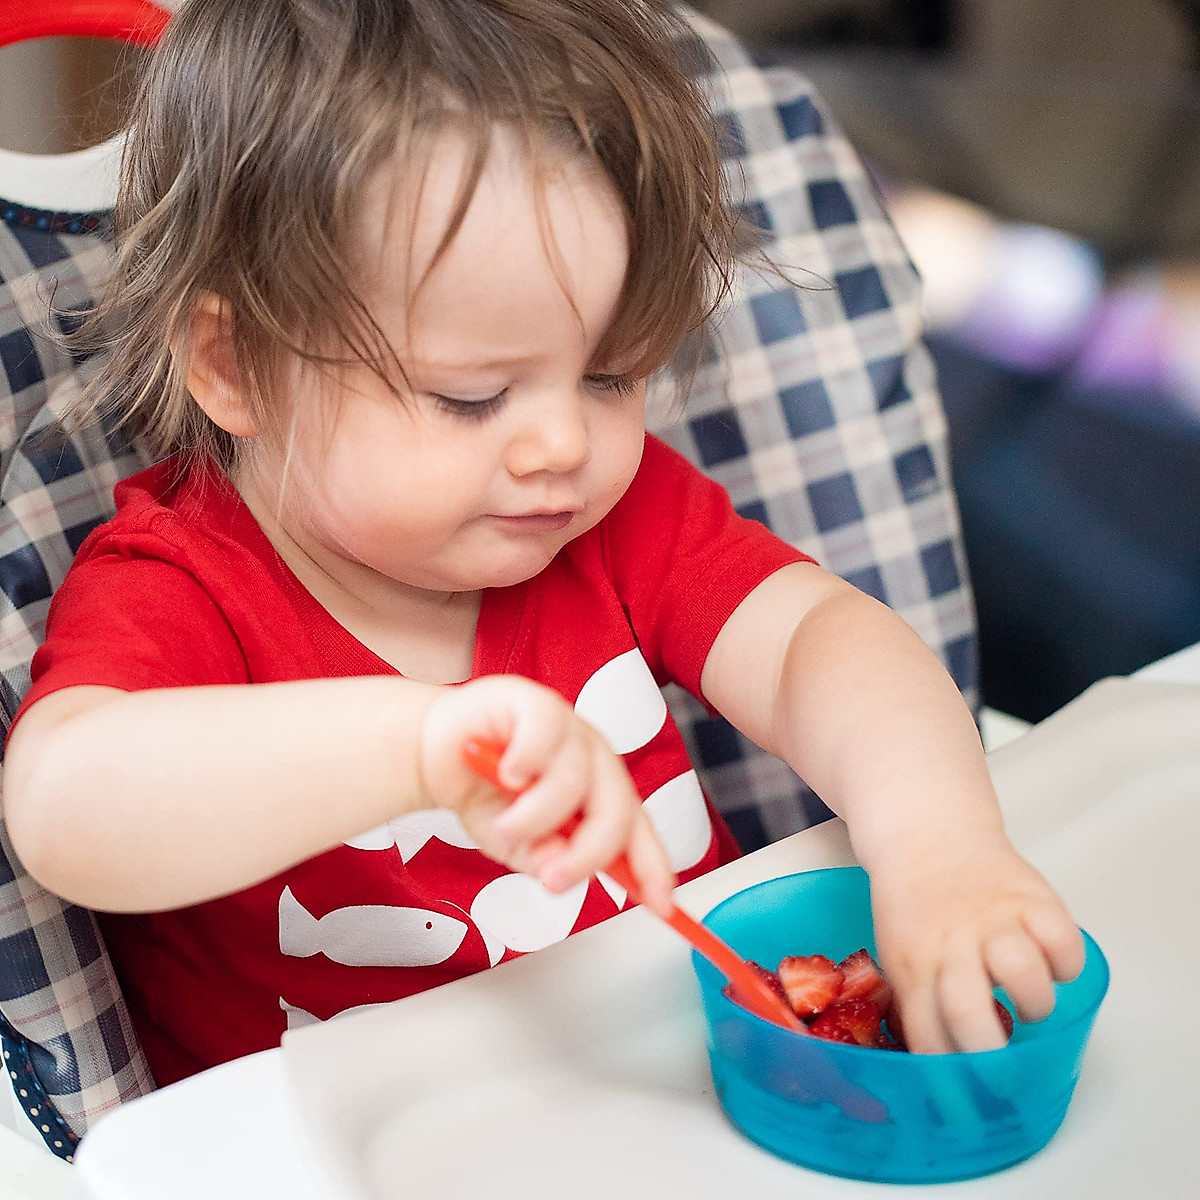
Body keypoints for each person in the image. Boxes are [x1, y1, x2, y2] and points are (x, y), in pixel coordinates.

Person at [3, 0, 1083, 1087]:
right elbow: (65, 807)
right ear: (235, 366)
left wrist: (937, 843)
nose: (564, 443)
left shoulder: (620, 524)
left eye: (614, 375)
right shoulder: (182, 591)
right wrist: (417, 751)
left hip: (701, 1091)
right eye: (472, 397)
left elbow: (820, 645)